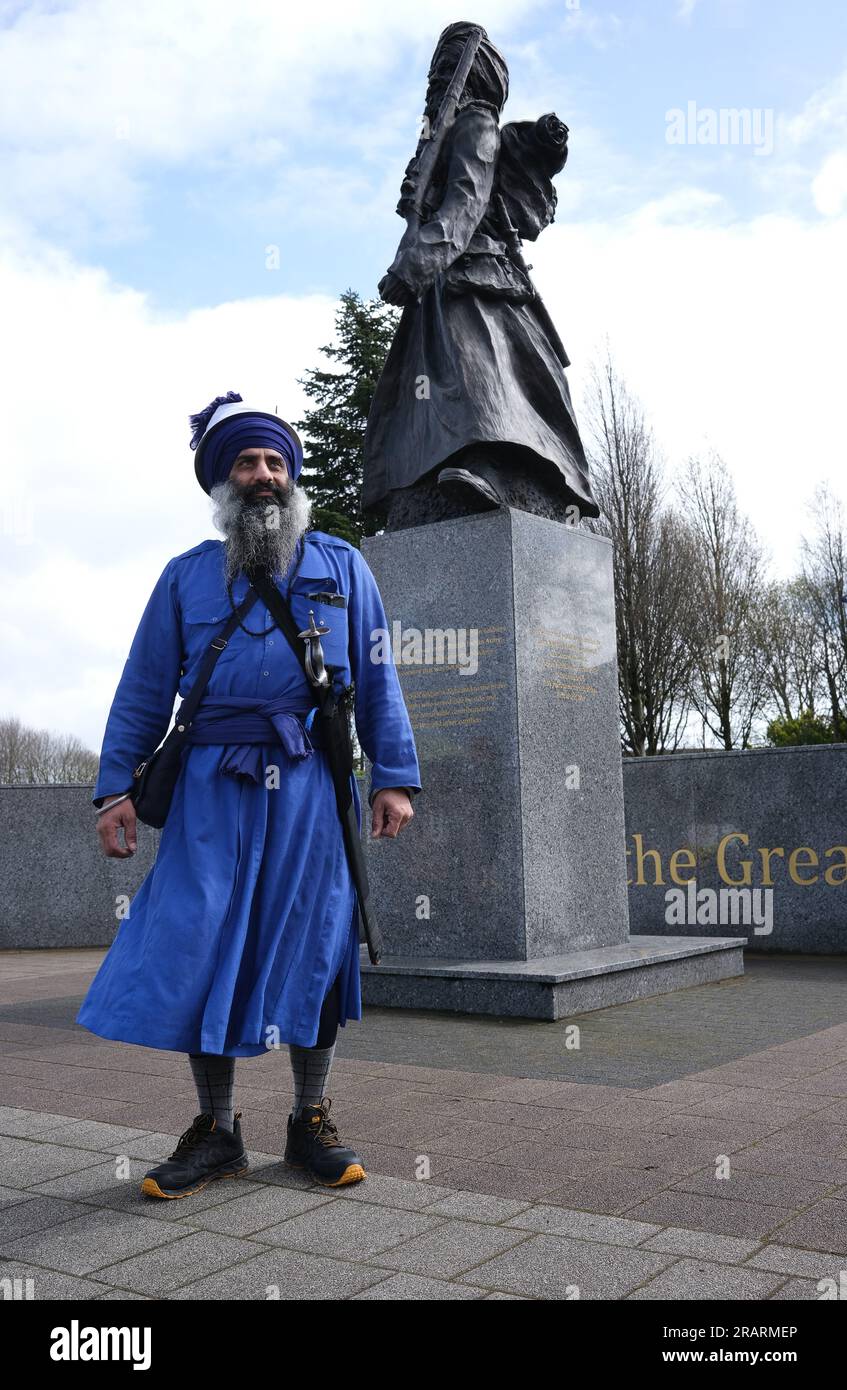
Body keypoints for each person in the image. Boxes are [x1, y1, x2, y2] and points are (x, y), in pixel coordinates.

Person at [77, 391, 421, 1197]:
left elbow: (377, 677)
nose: (263, 475)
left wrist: (395, 776)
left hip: (309, 785)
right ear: (221, 484)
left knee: (315, 942)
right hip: (208, 789)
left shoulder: (342, 565)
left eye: (274, 462)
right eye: (245, 463)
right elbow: (143, 690)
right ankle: (218, 1130)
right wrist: (112, 791)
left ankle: (309, 1120)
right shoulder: (185, 578)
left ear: (290, 476)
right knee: (201, 941)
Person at [362, 20, 600, 531]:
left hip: (475, 277)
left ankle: (495, 472)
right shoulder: (441, 135)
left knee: (482, 381)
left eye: (449, 68)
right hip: (444, 285)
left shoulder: (476, 124)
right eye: (436, 69)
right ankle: (424, 484)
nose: (439, 79)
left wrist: (415, 264)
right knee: (431, 392)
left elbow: (465, 205)